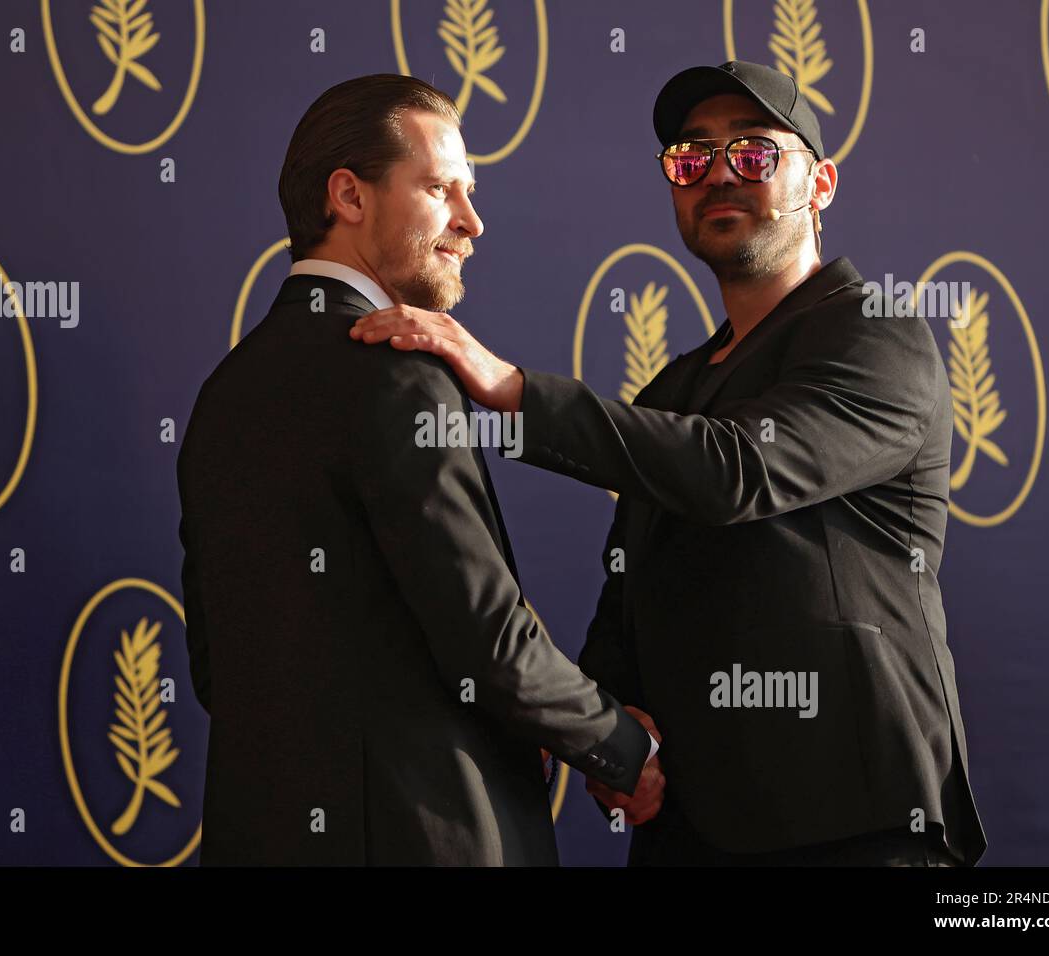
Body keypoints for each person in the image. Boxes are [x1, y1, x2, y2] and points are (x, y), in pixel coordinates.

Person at [351, 61, 988, 866]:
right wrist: (602, 718)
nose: (719, 173)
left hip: (851, 823)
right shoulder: (679, 383)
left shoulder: (878, 333)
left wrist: (513, 390)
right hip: (687, 822)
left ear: (821, 183)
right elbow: (634, 580)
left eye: (754, 153)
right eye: (692, 159)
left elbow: (736, 472)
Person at [176, 74, 662, 866]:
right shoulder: (394, 369)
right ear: (349, 196)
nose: (472, 222)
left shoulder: (220, 394)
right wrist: (619, 746)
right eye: (441, 189)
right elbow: (490, 640)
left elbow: (218, 672)